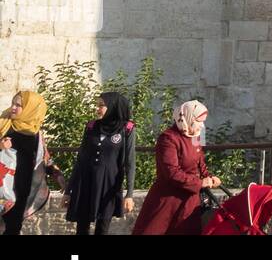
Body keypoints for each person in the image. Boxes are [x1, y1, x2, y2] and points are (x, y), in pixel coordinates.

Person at [132, 100, 219, 235]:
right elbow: (171, 172)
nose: (202, 126)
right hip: (168, 200)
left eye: (203, 121)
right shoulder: (168, 138)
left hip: (189, 202)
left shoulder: (197, 136)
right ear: (188, 118)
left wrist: (209, 177)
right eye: (198, 121)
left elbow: (200, 162)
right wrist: (200, 183)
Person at [64, 91, 137, 236]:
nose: (98, 109)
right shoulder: (91, 126)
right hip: (86, 181)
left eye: (102, 106)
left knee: (102, 228)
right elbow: (81, 159)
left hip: (109, 183)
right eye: (97, 105)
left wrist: (129, 194)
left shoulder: (126, 128)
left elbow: (129, 162)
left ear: (113, 107)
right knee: (82, 228)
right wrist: (68, 191)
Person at [0, 90, 53, 235]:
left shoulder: (35, 132)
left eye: (18, 105)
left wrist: (56, 173)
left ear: (31, 109)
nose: (13, 108)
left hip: (21, 189)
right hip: (2, 185)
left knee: (13, 228)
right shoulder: (4, 125)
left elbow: (44, 157)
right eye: (13, 103)